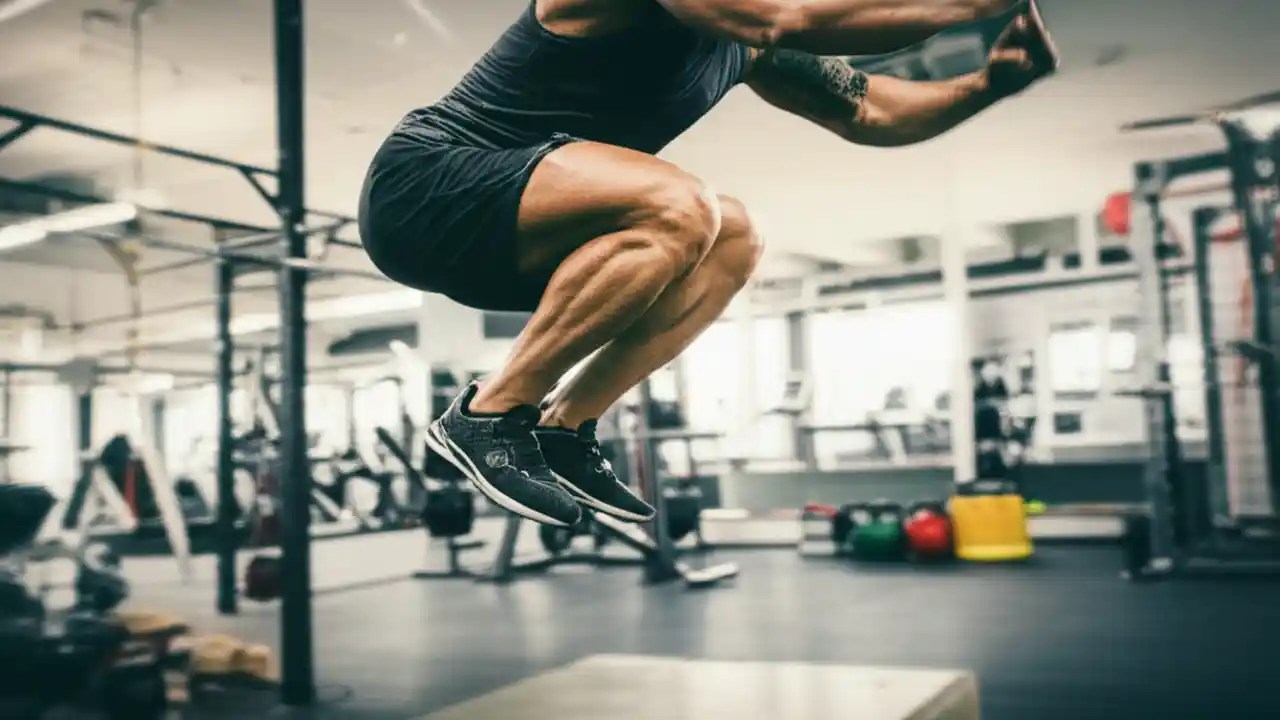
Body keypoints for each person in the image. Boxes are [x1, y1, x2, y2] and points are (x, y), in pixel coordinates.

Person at [358, 0, 1059, 527]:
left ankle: (564, 428)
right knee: (681, 203)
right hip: (426, 188)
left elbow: (870, 110)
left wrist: (985, 86)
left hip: (520, 235)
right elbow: (785, 16)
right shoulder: (746, 19)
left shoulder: (741, 46)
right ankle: (486, 415)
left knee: (734, 236)